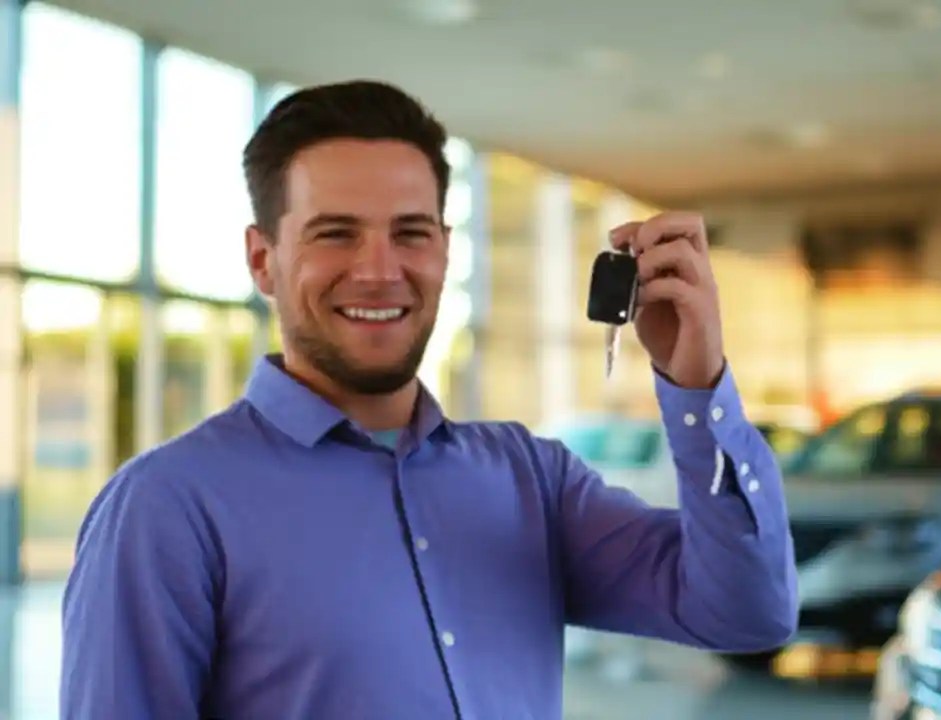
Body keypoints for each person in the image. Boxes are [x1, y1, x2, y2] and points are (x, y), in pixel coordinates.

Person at [60, 79, 798, 719]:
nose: (379, 271)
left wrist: (698, 390)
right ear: (263, 259)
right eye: (336, 234)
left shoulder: (530, 480)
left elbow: (746, 610)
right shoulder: (166, 508)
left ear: (445, 250)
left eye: (409, 233)